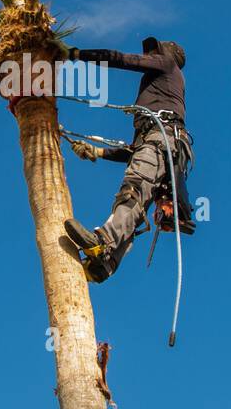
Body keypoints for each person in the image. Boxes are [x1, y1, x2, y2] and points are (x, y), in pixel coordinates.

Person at [62, 37, 195, 282]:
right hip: (163, 147)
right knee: (138, 200)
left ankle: (103, 242)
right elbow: (136, 150)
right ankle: (105, 263)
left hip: (161, 142)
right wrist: (97, 151)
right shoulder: (166, 94)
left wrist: (76, 54)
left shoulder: (167, 65)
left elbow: (121, 59)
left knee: (133, 190)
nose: (150, 56)